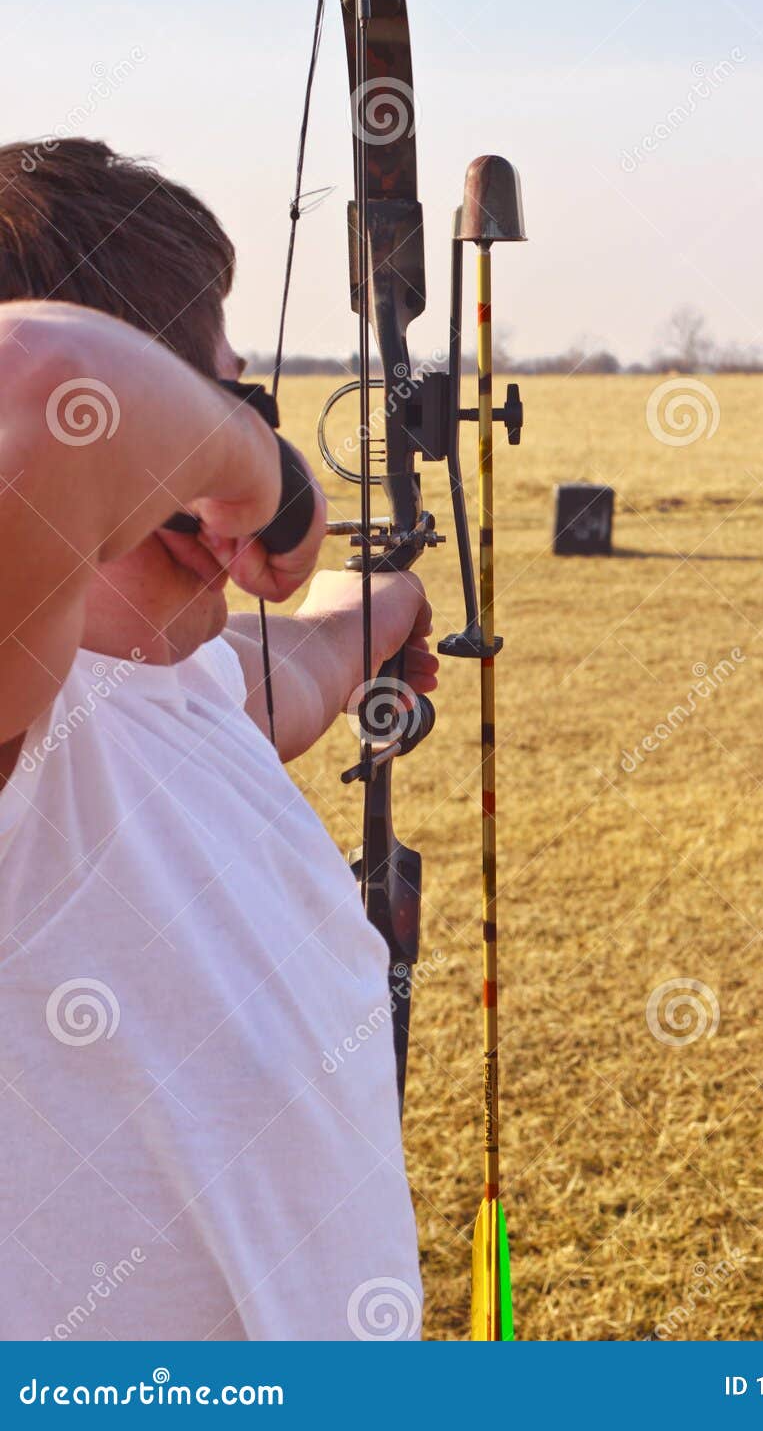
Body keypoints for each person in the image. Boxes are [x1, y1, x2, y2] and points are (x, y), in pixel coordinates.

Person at [0, 139, 434, 1341]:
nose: (257, 422)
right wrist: (269, 481)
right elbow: (34, 375)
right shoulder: (24, 736)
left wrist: (383, 606)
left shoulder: (182, 685)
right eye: (232, 393)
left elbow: (290, 668)